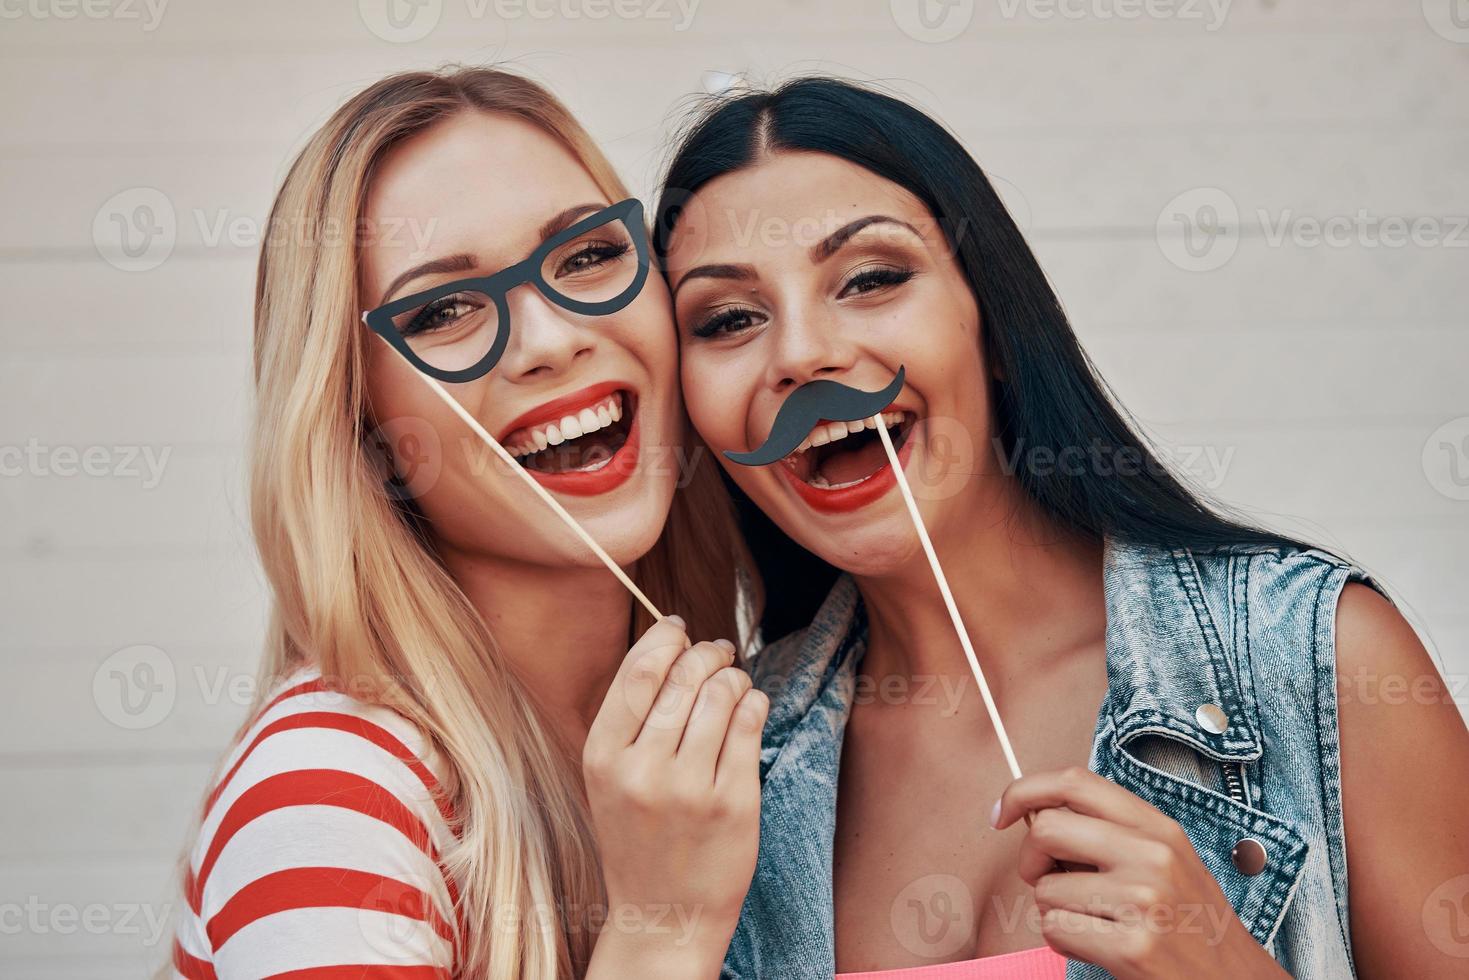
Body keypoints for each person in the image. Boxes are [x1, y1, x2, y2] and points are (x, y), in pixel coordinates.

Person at [656, 76, 1469, 979]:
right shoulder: (723, 775)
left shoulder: (1314, 656)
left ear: (996, 329)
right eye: (728, 319)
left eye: (871, 277)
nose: (802, 354)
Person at [168, 66, 767, 979]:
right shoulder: (329, 796)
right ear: (358, 420)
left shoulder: (719, 727)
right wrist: (662, 930)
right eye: (442, 310)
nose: (551, 338)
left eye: (588, 256)